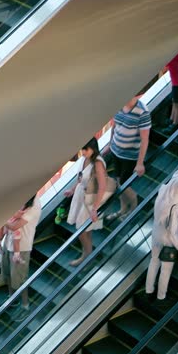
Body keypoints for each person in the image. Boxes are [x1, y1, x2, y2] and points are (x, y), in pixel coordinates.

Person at [146, 159, 178, 301]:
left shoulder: (167, 189)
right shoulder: (174, 207)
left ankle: (148, 291)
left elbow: (176, 176)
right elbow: (173, 235)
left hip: (156, 232)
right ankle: (161, 296)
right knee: (166, 269)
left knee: (154, 261)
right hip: (167, 239)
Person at [0, 197, 41, 316]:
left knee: (20, 279)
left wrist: (2, 216)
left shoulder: (34, 206)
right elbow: (4, 225)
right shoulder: (19, 197)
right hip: (9, 243)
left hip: (21, 248)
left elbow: (14, 226)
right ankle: (12, 299)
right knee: (7, 274)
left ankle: (25, 305)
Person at [64, 138, 113, 267]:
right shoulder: (85, 159)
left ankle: (88, 255)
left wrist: (95, 208)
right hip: (81, 195)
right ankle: (86, 254)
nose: (83, 152)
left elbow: (102, 186)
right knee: (86, 229)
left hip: (91, 200)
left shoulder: (97, 163)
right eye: (83, 149)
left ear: (93, 148)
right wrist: (72, 189)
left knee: (81, 229)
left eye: (86, 149)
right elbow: (81, 178)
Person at [107, 96, 151, 222]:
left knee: (124, 184)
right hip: (116, 151)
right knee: (118, 182)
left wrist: (140, 163)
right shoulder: (118, 103)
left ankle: (133, 210)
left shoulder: (142, 111)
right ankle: (122, 209)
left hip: (130, 156)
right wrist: (110, 143)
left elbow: (144, 139)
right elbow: (114, 126)